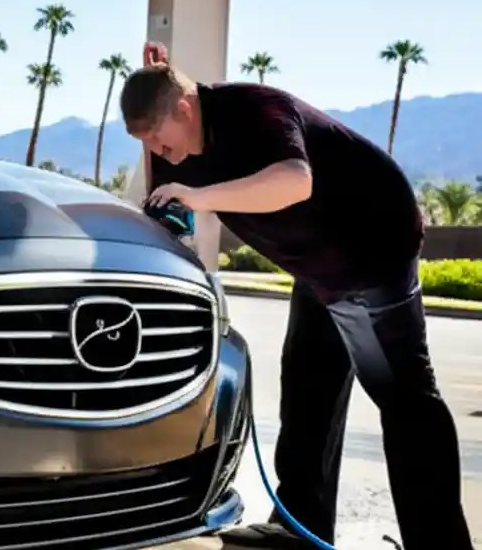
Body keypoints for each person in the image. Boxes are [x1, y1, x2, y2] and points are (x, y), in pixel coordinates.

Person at [119, 42, 471, 550]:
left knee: (403, 397)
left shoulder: (256, 110)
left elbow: (294, 182)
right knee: (308, 385)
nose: (155, 149)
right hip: (318, 267)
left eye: (157, 135)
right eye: (144, 141)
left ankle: (441, 543)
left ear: (185, 108)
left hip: (373, 247)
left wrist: (202, 197)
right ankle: (300, 526)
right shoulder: (175, 147)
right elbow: (167, 209)